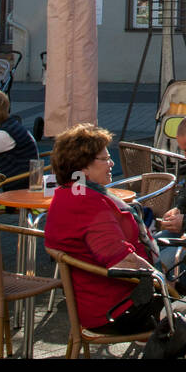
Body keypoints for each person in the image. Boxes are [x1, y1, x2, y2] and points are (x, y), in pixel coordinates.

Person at [44, 124, 165, 334]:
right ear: (82, 167)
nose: (111, 163)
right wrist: (163, 281)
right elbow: (120, 259)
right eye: (105, 159)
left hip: (102, 301)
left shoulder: (71, 192)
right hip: (118, 309)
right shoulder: (87, 203)